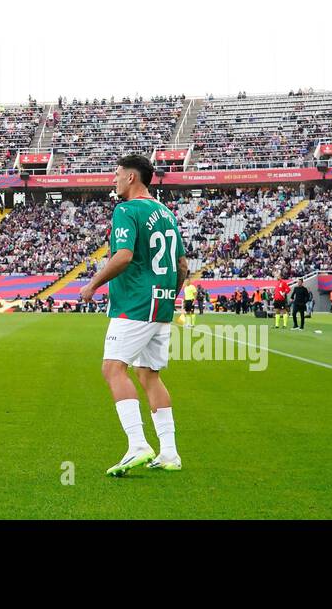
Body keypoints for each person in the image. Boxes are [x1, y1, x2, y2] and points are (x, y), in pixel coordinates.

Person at [80, 154, 185, 476]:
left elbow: (124, 256)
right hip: (162, 303)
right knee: (149, 375)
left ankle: (138, 444)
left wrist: (93, 284)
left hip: (136, 303)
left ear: (131, 178)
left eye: (116, 174)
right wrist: (169, 294)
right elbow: (182, 266)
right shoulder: (166, 213)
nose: (113, 180)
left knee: (112, 369)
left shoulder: (126, 210)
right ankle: (169, 453)